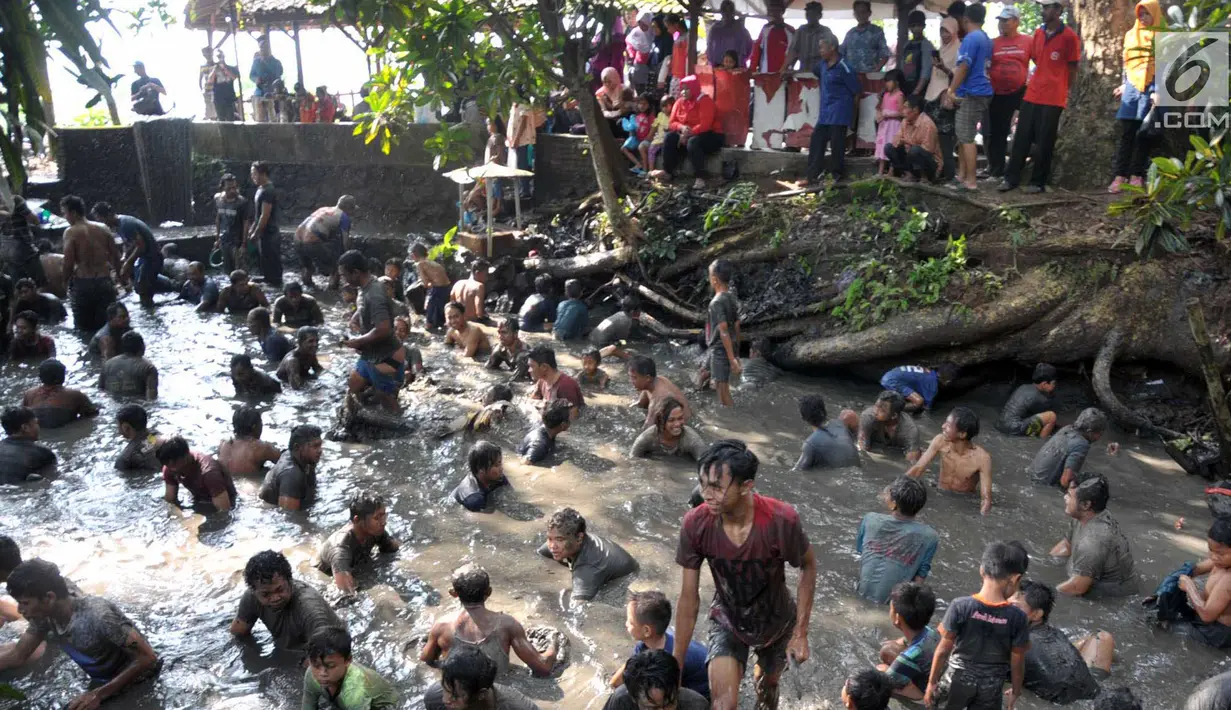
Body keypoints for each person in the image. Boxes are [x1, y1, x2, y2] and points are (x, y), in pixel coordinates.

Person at [675, 440, 816, 710]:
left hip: (776, 620)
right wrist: (677, 664)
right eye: (702, 484)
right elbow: (688, 599)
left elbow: (808, 565)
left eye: (716, 487)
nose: (706, 494)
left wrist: (801, 632)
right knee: (723, 705)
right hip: (727, 617)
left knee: (767, 688)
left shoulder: (781, 520)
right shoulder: (696, 523)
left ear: (746, 486)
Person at [0, 559, 160, 706]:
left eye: (25, 603)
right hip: (103, 683)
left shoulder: (100, 616)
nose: (20, 610)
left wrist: (99, 695)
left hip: (141, 685)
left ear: (49, 598)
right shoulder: (43, 616)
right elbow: (18, 655)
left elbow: (148, 658)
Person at [923, 541, 1030, 710]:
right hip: (991, 687)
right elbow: (1017, 662)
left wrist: (931, 682)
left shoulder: (960, 606)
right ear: (1015, 578)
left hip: (956, 680)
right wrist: (1016, 691)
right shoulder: (1018, 618)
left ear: (981, 569)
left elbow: (943, 650)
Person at [999, 0, 1082, 194]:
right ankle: (1011, 178)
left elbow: (1073, 67)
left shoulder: (1069, 36)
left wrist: (1063, 88)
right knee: (1021, 137)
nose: (1043, 11)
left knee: (1045, 140)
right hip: (1033, 93)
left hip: (1054, 96)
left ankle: (1038, 182)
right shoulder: (1038, 33)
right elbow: (1037, 58)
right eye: (1042, 7)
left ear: (1058, 10)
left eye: (1047, 7)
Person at [420, 564, 558, 675]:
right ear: (489, 592)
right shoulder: (507, 624)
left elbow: (427, 659)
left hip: (461, 691)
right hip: (499, 691)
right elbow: (543, 668)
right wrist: (554, 644)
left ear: (453, 593)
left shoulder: (441, 626)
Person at [1012, 580, 1110, 704]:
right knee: (1101, 637)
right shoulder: (1056, 634)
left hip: (1067, 705)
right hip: (1094, 693)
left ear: (1036, 614)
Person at [231, 550, 344, 651]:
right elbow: (238, 633)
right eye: (266, 594)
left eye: (280, 589)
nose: (275, 598)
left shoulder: (309, 608)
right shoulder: (251, 597)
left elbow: (327, 655)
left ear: (290, 580)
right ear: (254, 591)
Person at [1050, 473, 1137, 597]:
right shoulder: (1085, 516)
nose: (1065, 498)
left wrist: (1044, 593)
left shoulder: (1093, 542)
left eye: (1069, 495)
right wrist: (1047, 563)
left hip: (1109, 598)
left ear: (1086, 505)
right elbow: (1066, 545)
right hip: (1085, 574)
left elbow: (1077, 588)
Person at [610, 591, 709, 698]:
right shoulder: (646, 643)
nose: (626, 624)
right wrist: (613, 685)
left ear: (646, 631)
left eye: (630, 622)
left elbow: (668, 698)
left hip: (704, 691)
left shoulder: (669, 659)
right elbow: (618, 680)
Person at [856, 477, 939, 603]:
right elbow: (920, 577)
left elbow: (861, 551)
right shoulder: (930, 536)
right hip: (896, 604)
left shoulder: (870, 519)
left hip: (861, 592)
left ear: (893, 504)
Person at [339, 250, 403, 412]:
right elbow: (366, 306)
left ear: (355, 272)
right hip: (370, 353)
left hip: (384, 355)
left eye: (344, 275)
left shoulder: (374, 293)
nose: (343, 279)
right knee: (353, 387)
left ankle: (400, 425)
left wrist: (358, 341)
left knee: (387, 400)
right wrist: (356, 316)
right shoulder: (365, 286)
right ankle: (364, 413)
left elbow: (383, 328)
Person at [1108, 0, 1160, 193]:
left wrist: (1158, 90)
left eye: (1147, 13)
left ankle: (1137, 175)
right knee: (1127, 134)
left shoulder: (1162, 36)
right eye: (1140, 14)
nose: (1143, 18)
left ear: (1155, 14)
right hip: (1131, 89)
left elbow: (1164, 66)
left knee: (1144, 135)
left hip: (1150, 89)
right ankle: (1119, 175)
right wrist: (1124, 83)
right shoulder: (1131, 35)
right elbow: (1127, 62)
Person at [943, 3, 994, 192]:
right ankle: (962, 176)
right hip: (980, 91)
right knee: (964, 135)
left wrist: (951, 90)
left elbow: (964, 66)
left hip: (972, 92)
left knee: (967, 137)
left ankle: (971, 181)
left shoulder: (971, 38)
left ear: (965, 19)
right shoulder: (986, 38)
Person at [906, 406, 993, 514]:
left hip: (963, 501)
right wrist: (895, 488)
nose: (943, 426)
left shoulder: (982, 459)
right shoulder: (940, 441)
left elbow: (986, 499)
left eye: (948, 425)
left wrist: (983, 515)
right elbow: (918, 468)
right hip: (939, 491)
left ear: (962, 434)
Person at [538, 508, 638, 601]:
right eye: (550, 538)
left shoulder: (587, 569)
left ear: (579, 538)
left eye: (559, 539)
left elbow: (578, 607)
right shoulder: (562, 544)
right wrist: (557, 573)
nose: (552, 546)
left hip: (624, 578)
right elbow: (542, 554)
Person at [314, 490, 400, 595]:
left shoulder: (374, 531)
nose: (383, 522)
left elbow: (392, 549)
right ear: (357, 520)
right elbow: (346, 591)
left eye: (384, 516)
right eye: (377, 518)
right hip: (322, 574)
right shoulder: (340, 549)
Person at [60, 195, 121, 333]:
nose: (65, 217)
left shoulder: (70, 232)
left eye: (65, 213)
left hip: (83, 285)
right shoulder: (103, 228)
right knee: (108, 326)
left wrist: (64, 282)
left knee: (83, 330)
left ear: (73, 213)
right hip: (104, 282)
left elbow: (68, 262)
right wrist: (120, 277)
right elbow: (115, 256)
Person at [984, 6, 1032, 180]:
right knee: (997, 132)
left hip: (1020, 91)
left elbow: (1039, 62)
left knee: (1026, 129)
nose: (1002, 24)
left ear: (1016, 22)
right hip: (997, 93)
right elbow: (985, 66)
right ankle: (996, 169)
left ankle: (1019, 166)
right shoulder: (993, 43)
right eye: (1000, 20)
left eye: (1006, 20)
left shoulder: (1028, 41)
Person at [806, 35, 862, 183]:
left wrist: (853, 118)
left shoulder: (845, 67)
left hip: (840, 113)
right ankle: (812, 176)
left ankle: (835, 177)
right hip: (825, 113)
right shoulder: (822, 65)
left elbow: (857, 92)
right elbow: (815, 71)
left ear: (832, 48)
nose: (820, 51)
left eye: (822, 47)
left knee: (837, 147)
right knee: (816, 142)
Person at [302, 627, 398, 710]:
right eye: (316, 665)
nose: (322, 673)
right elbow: (307, 706)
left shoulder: (355, 692)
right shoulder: (311, 675)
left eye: (330, 666)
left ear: (348, 660)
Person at [422, 645, 542, 710]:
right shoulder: (434, 698)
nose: (445, 700)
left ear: (481, 694)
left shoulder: (518, 707)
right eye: (445, 689)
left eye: (455, 696)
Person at [90, 202, 162, 308]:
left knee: (142, 288)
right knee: (139, 284)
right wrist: (124, 257)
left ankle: (149, 311)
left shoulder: (125, 224)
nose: (102, 224)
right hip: (145, 258)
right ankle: (169, 287)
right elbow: (128, 243)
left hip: (152, 258)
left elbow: (141, 246)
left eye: (101, 220)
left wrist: (128, 263)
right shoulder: (119, 224)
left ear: (109, 215)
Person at [658, 76, 724, 190]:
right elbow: (672, 122)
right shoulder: (679, 102)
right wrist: (682, 128)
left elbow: (705, 125)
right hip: (687, 134)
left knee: (693, 142)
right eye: (682, 89)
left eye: (687, 89)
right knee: (670, 137)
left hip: (710, 134)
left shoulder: (705, 101)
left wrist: (689, 133)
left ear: (694, 88)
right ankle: (668, 172)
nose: (683, 92)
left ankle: (700, 178)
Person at [877, 582, 939, 702]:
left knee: (881, 672)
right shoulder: (931, 631)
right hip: (937, 673)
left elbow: (882, 684)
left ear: (897, 618)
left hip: (925, 690)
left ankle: (914, 692)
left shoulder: (906, 658)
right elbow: (904, 641)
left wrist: (885, 672)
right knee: (887, 649)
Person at [1030, 407, 1112, 488]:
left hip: (1032, 475)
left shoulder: (1066, 429)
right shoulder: (1082, 444)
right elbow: (1065, 482)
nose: (1100, 437)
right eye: (1100, 434)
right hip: (1043, 487)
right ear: (1089, 432)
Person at [606, 649, 710, 710]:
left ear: (677, 689)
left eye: (669, 704)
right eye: (652, 708)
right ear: (634, 699)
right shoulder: (621, 700)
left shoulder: (697, 706)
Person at [924, 17, 961, 181]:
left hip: (946, 98)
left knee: (945, 138)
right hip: (933, 98)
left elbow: (959, 75)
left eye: (947, 31)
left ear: (954, 31)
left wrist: (944, 68)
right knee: (932, 136)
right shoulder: (941, 49)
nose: (944, 35)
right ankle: (935, 172)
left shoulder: (959, 49)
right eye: (942, 31)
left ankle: (950, 174)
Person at [158, 436, 236, 511]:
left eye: (174, 464)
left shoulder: (209, 473)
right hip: (199, 500)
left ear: (186, 456)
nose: (172, 469)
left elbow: (224, 511)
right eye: (168, 465)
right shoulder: (169, 468)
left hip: (226, 501)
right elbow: (170, 501)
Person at [295, 196, 357, 290]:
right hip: (311, 243)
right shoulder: (344, 217)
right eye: (352, 209)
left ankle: (307, 287)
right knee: (337, 264)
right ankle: (332, 290)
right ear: (348, 208)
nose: (353, 212)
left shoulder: (324, 209)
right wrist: (345, 257)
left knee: (308, 266)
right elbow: (345, 241)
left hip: (297, 239)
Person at [702, 259, 741, 408]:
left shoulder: (716, 303)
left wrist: (731, 359)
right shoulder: (731, 297)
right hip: (729, 347)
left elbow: (723, 330)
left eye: (709, 276)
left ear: (714, 279)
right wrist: (736, 353)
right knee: (722, 387)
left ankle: (732, 417)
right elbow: (736, 325)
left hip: (720, 349)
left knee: (722, 391)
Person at [259, 424, 323, 511]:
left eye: (320, 445)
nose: (320, 450)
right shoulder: (291, 475)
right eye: (315, 446)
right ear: (297, 447)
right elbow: (288, 515)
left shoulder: (307, 459)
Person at [22, 359, 97, 428]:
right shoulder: (75, 395)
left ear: (40, 377)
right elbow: (91, 416)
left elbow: (22, 417)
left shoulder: (29, 394)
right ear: (62, 377)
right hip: (64, 432)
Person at [631, 397, 707, 461]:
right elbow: (632, 460)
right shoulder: (647, 437)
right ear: (661, 422)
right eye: (671, 420)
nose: (677, 424)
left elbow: (706, 463)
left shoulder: (691, 439)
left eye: (680, 418)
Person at [888, 95, 943, 183]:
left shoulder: (927, 124)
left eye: (906, 108)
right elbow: (897, 138)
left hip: (930, 165)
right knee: (889, 147)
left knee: (915, 150)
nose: (903, 111)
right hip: (911, 159)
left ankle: (924, 178)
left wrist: (907, 142)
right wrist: (899, 141)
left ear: (915, 110)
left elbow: (928, 149)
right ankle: (908, 174)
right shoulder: (905, 121)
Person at [795, 394, 859, 470]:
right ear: (824, 411)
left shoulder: (810, 444)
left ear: (802, 417)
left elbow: (797, 471)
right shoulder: (841, 424)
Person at [857, 391, 922, 462]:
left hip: (897, 451)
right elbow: (862, 446)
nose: (875, 411)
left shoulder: (910, 431)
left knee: (919, 454)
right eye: (876, 406)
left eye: (882, 410)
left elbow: (911, 462)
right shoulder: (868, 416)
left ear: (894, 415)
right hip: (876, 444)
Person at [997, 363, 1058, 437]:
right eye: (1053, 383)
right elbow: (1044, 415)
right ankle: (1042, 440)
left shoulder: (1023, 387)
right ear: (1044, 384)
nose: (1054, 386)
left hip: (1001, 425)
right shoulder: (1039, 398)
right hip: (1014, 429)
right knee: (1051, 416)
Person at [217, 406, 280, 477]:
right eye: (261, 423)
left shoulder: (223, 444)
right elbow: (284, 461)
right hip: (252, 482)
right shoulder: (261, 447)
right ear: (254, 427)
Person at [628, 355, 691, 426]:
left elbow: (647, 428)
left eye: (634, 378)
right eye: (630, 377)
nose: (631, 381)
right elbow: (640, 404)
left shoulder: (658, 399)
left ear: (647, 378)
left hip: (680, 425)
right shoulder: (655, 381)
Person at [1, 194, 47, 287]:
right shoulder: (15, 199)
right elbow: (33, 219)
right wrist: (37, 221)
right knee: (39, 283)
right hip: (22, 246)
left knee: (19, 286)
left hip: (5, 248)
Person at [0, 406, 55, 483]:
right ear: (25, 428)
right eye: (36, 423)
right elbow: (51, 479)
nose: (38, 427)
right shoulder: (43, 452)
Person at [248, 161, 282, 286]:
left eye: (254, 174)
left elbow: (265, 215)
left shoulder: (268, 190)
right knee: (265, 257)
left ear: (263, 173)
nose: (252, 177)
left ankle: (276, 282)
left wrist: (256, 232)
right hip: (263, 231)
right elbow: (258, 214)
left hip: (270, 232)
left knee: (272, 257)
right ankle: (268, 278)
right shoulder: (260, 189)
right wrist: (252, 229)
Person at [528, 345, 584, 418]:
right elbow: (531, 401)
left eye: (532, 366)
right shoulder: (542, 380)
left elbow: (572, 419)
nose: (529, 370)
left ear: (544, 367)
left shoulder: (566, 386)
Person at [100, 331, 159, 400]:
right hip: (137, 405)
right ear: (142, 347)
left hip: (112, 403)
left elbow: (101, 391)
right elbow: (151, 399)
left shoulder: (107, 365)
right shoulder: (148, 367)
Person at [453, 441, 510, 512]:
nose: (501, 468)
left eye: (500, 463)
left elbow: (511, 493)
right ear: (481, 469)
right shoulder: (474, 498)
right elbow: (488, 517)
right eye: (496, 465)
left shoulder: (497, 477)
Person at [214, 173, 252, 275]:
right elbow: (218, 219)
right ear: (222, 187)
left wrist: (244, 244)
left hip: (237, 242)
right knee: (227, 270)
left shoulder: (242, 202)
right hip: (224, 240)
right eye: (229, 188)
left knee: (240, 272)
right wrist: (217, 239)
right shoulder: (218, 199)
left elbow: (246, 222)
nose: (232, 190)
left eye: (234, 187)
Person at [782, 1, 836, 73]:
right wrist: (786, 68)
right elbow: (793, 52)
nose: (809, 17)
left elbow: (832, 55)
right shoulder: (800, 31)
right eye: (808, 14)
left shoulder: (826, 32)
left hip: (821, 72)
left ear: (820, 16)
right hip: (803, 71)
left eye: (813, 14)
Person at [410, 243, 452, 329]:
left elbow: (426, 284)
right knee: (442, 318)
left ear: (413, 255)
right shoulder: (432, 262)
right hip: (448, 288)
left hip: (438, 290)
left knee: (430, 321)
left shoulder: (420, 264)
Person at [881, 364, 952, 412]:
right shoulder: (932, 384)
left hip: (889, 375)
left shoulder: (929, 371)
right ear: (948, 381)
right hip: (891, 381)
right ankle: (892, 410)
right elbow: (926, 408)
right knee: (919, 402)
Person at [874, 70, 906, 176]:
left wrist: (888, 115)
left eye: (889, 81)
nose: (886, 84)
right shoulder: (886, 95)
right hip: (884, 125)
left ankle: (891, 171)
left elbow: (902, 113)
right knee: (882, 145)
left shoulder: (900, 95)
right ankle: (880, 171)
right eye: (886, 81)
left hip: (894, 125)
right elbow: (882, 108)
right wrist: (879, 115)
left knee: (891, 146)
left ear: (897, 82)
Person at [749, 1, 793, 74]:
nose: (773, 14)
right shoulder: (766, 29)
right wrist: (752, 70)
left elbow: (794, 53)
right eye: (771, 11)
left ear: (782, 12)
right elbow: (757, 50)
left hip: (783, 74)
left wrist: (789, 70)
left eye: (776, 11)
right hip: (766, 73)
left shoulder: (790, 31)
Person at [898, 11, 935, 97]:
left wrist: (916, 91)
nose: (916, 29)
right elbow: (902, 67)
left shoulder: (927, 45)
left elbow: (926, 71)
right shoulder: (907, 45)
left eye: (919, 25)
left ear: (924, 26)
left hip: (921, 90)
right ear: (909, 27)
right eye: (913, 26)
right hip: (905, 87)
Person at [707, 0, 753, 68]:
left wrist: (740, 62)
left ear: (733, 12)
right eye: (725, 10)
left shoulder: (741, 29)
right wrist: (714, 64)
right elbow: (709, 49)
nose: (727, 13)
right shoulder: (715, 29)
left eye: (730, 10)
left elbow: (749, 48)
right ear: (721, 12)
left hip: (737, 68)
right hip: (719, 67)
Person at [115, 404, 160, 471]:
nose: (118, 430)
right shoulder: (158, 436)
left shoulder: (126, 458)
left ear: (125, 427)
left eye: (118, 426)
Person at [249, 37, 284, 122]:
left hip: (272, 92)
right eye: (261, 47)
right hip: (260, 92)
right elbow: (251, 75)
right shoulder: (256, 62)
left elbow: (278, 74)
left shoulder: (276, 62)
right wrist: (256, 79)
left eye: (265, 47)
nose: (263, 49)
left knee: (272, 116)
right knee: (260, 117)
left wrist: (266, 62)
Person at [640, 95, 674, 172]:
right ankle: (651, 170)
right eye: (662, 106)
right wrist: (648, 137)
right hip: (658, 139)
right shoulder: (660, 115)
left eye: (666, 106)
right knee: (651, 149)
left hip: (667, 140)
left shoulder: (674, 115)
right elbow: (654, 126)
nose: (664, 109)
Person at [208, 49, 240, 121]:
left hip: (229, 98)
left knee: (230, 119)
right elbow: (210, 81)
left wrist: (224, 69)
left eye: (220, 56)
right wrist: (215, 69)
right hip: (218, 98)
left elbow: (233, 77)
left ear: (223, 56)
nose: (219, 58)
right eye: (217, 56)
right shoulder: (212, 69)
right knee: (221, 120)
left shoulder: (231, 68)